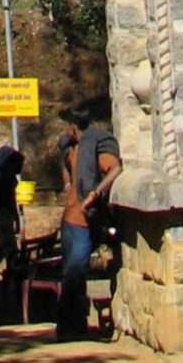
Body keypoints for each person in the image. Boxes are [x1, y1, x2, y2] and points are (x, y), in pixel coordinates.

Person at [57, 104, 121, 339]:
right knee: (69, 274)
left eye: (68, 127)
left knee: (75, 272)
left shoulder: (93, 147)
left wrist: (94, 194)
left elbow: (114, 169)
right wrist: (67, 184)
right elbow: (63, 163)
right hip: (69, 219)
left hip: (84, 221)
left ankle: (68, 325)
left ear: (74, 128)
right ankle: (74, 324)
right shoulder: (72, 148)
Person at [0, 143, 25, 307]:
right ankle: (11, 281)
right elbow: (5, 200)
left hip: (6, 213)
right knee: (10, 249)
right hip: (1, 214)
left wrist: (16, 218)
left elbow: (12, 200)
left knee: (3, 247)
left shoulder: (8, 178)